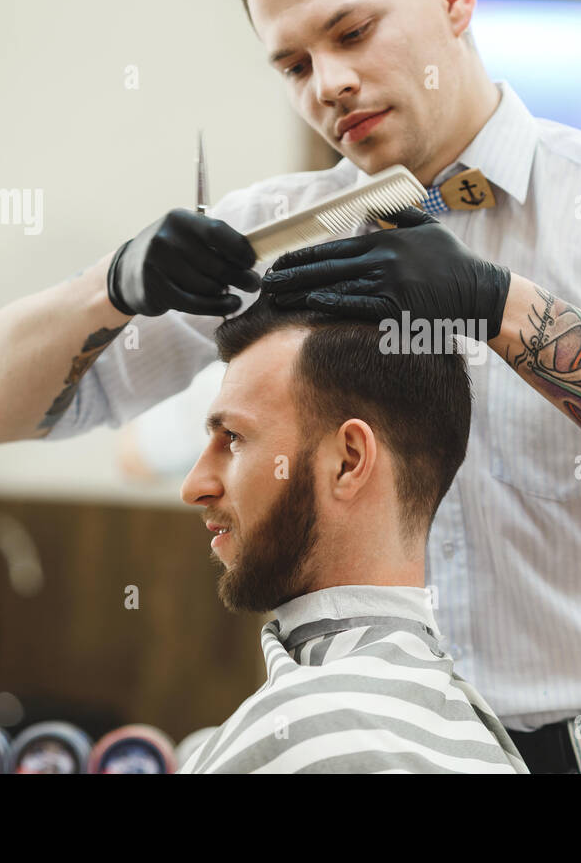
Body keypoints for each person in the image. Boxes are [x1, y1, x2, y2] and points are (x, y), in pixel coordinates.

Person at [0, 0, 581, 773]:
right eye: (293, 64)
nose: (328, 83)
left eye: (352, 32)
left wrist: (498, 307)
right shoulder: (268, 241)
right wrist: (116, 283)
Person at [175, 294, 525, 773]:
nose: (195, 486)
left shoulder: (306, 735)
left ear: (349, 461)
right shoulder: (472, 731)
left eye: (232, 438)